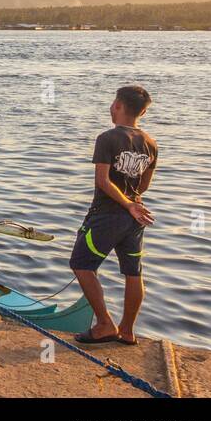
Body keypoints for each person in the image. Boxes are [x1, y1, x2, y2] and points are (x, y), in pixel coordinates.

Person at [69, 85, 158, 346]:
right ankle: (127, 330)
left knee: (82, 264)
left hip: (108, 214)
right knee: (133, 272)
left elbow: (103, 181)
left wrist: (126, 205)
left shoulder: (107, 138)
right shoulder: (150, 143)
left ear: (118, 106)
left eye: (112, 102)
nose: (110, 107)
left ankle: (105, 324)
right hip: (135, 218)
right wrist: (133, 203)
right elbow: (143, 186)